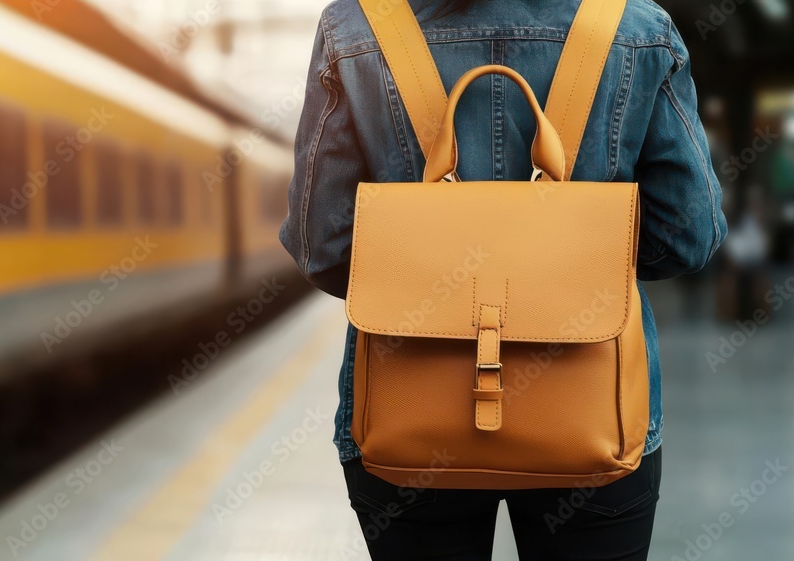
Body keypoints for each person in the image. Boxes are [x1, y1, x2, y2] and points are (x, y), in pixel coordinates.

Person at [279, 0, 728, 559]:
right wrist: (578, 267)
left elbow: (321, 247)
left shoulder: (354, 28)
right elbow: (688, 234)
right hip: (595, 420)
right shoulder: (636, 27)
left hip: (406, 423)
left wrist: (421, 272)